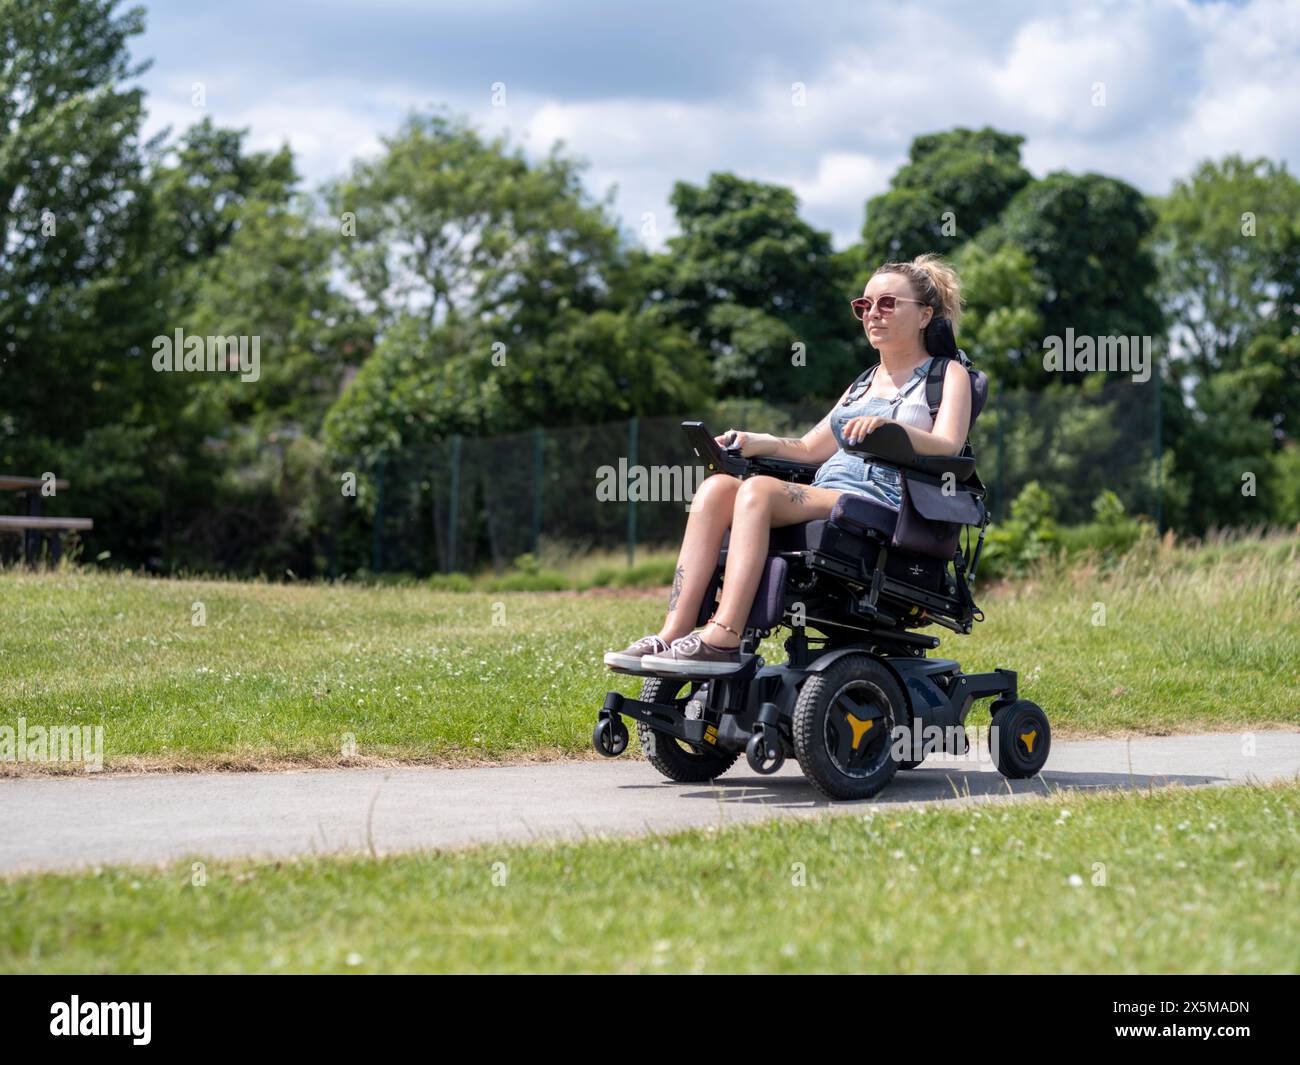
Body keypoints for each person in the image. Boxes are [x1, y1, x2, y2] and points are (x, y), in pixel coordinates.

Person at [605, 253, 972, 676]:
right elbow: (810, 448)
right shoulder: (863, 382)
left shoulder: (946, 375)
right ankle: (672, 633)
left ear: (925, 315)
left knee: (758, 491)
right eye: (864, 305)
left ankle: (723, 636)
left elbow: (948, 445)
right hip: (830, 489)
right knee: (717, 488)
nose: (873, 314)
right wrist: (756, 441)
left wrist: (892, 429)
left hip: (883, 498)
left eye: (888, 304)